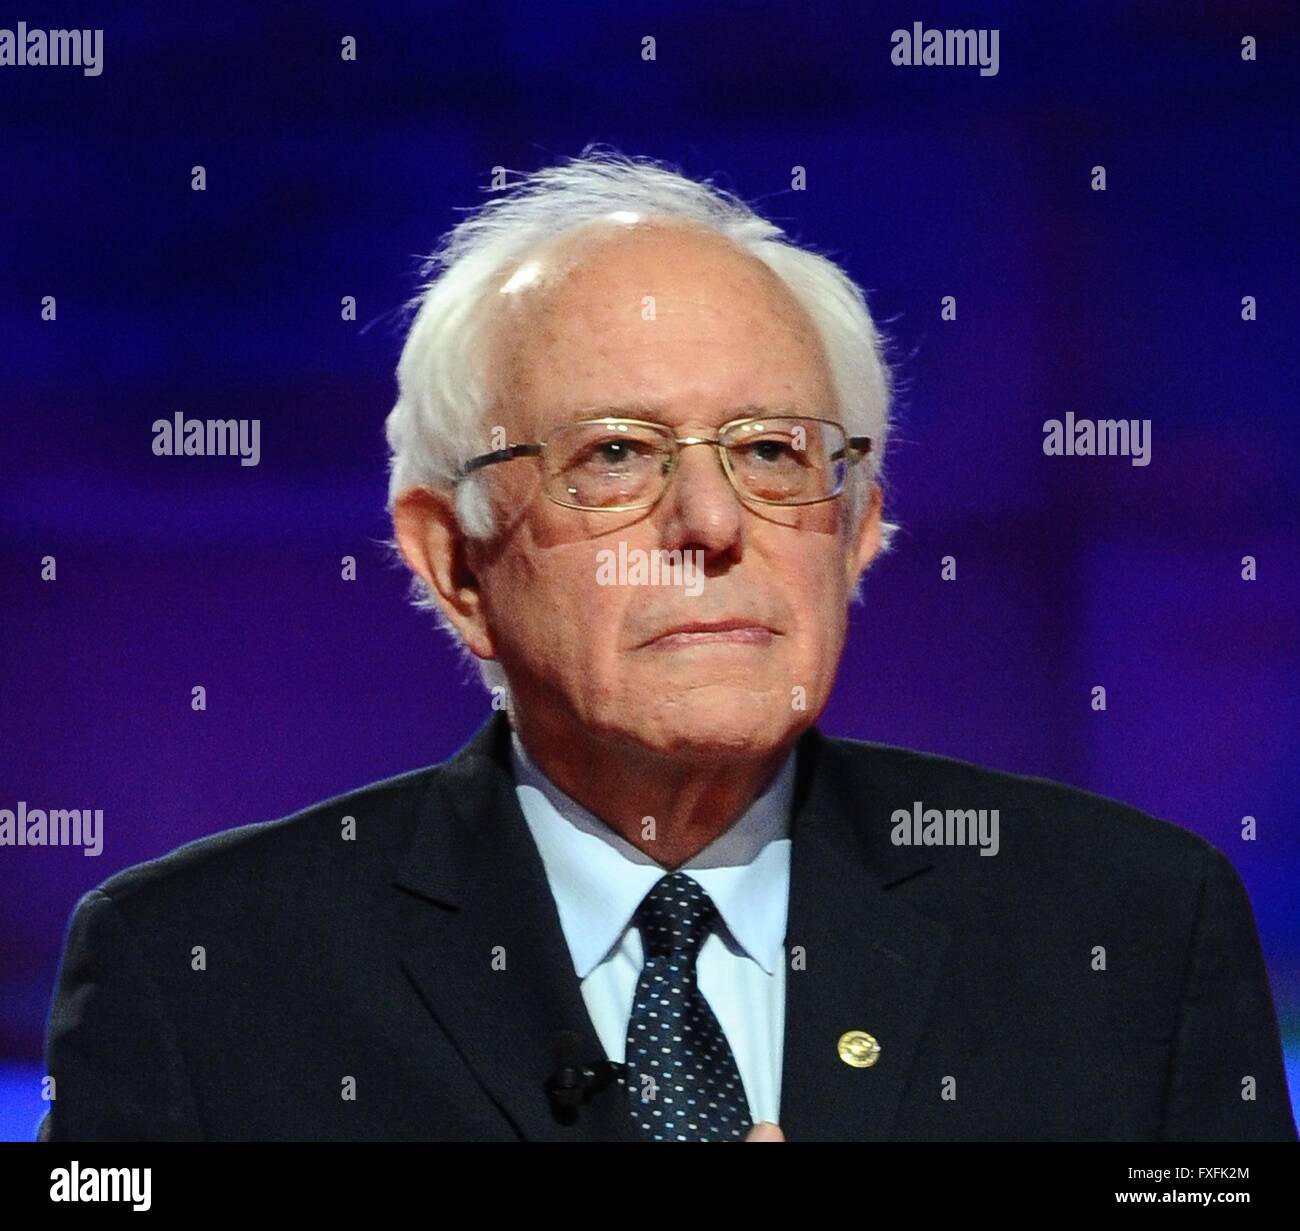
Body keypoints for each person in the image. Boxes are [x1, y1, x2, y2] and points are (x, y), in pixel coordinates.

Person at [40, 151, 1295, 1142]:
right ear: (452, 559)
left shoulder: (1130, 930)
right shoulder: (201, 977)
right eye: (615, 456)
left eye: (771, 453)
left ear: (858, 525)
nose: (708, 525)